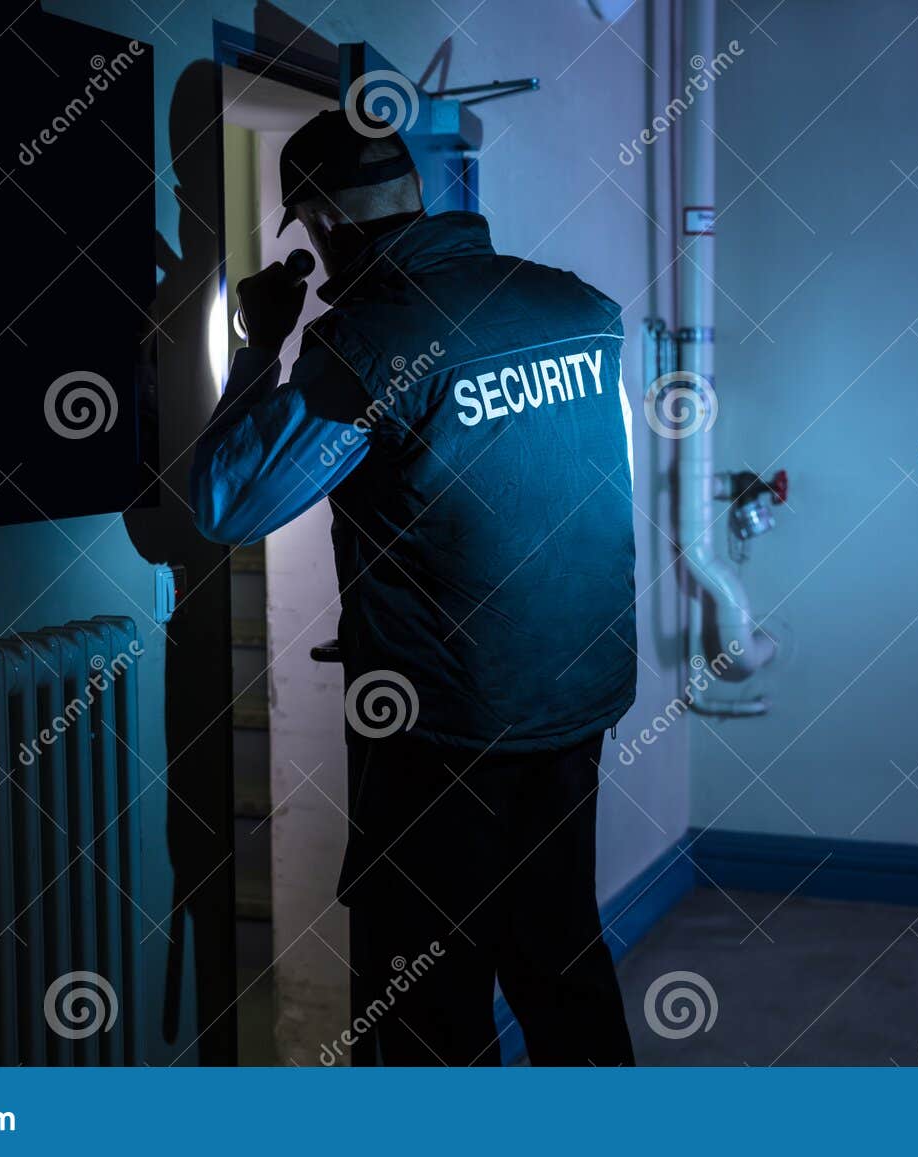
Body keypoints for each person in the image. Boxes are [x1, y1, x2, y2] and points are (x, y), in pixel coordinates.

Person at [190, 109, 638, 1066]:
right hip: (570, 703)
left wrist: (260, 349)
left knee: (423, 995)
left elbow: (226, 500)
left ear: (321, 225)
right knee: (558, 956)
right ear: (414, 195)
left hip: (442, 734)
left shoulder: (372, 342)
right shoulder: (574, 307)